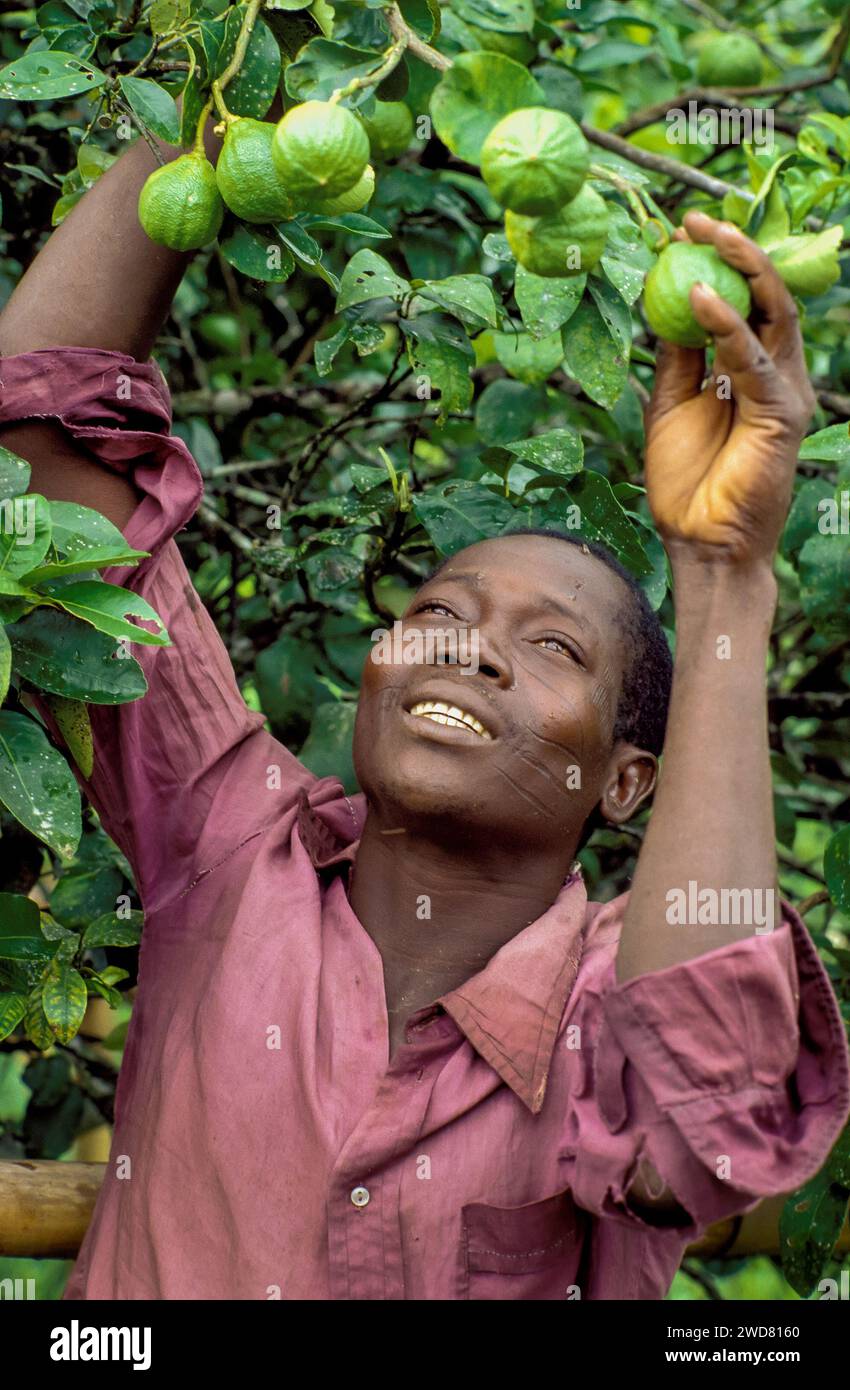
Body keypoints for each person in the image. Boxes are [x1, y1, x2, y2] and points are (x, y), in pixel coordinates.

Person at [0, 111, 847, 1302]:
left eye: (551, 646)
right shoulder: (230, 840)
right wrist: (218, 108)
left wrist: (722, 572)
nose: (472, 654)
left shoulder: (605, 1017)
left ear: (623, 781)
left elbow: (712, 1113)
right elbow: (34, 459)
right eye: (441, 612)